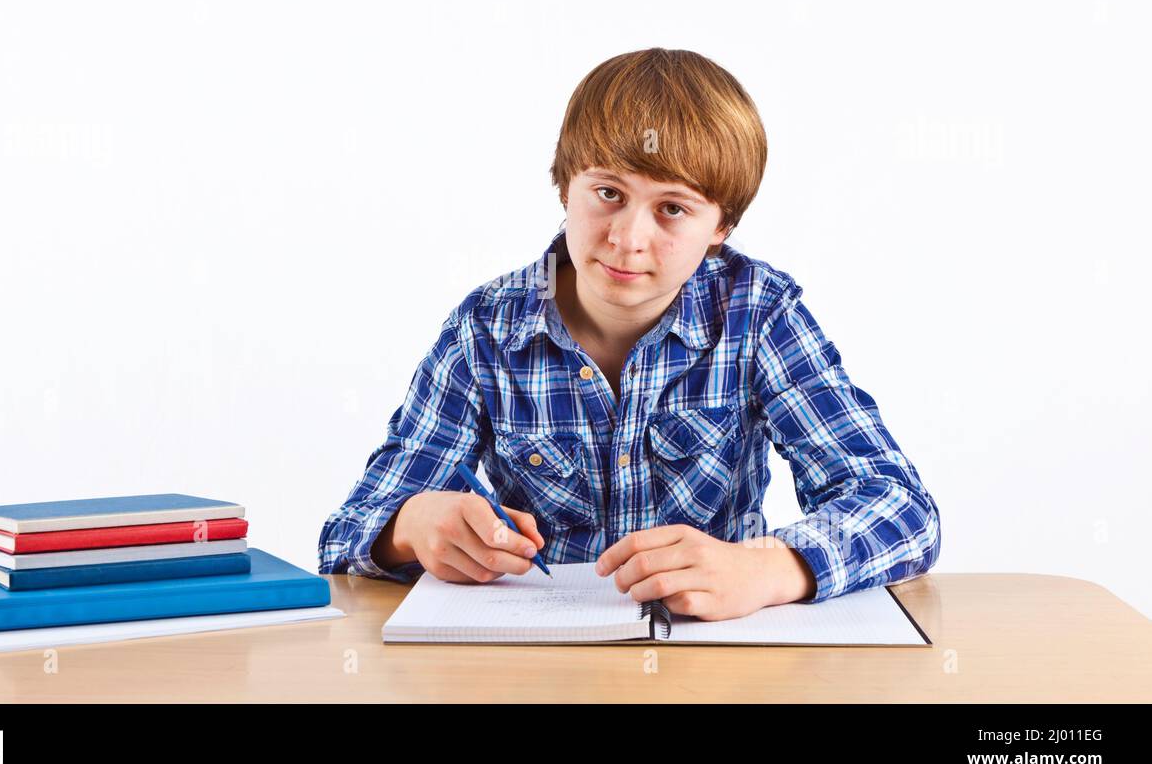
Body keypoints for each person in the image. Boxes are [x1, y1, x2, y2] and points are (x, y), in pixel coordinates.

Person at [317, 48, 941, 621]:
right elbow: (345, 534)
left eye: (672, 208)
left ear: (722, 226)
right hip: (534, 666)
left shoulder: (758, 314)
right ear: (566, 186)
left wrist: (769, 568)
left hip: (712, 669)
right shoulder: (486, 329)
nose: (628, 237)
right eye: (608, 193)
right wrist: (410, 525)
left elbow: (900, 507)